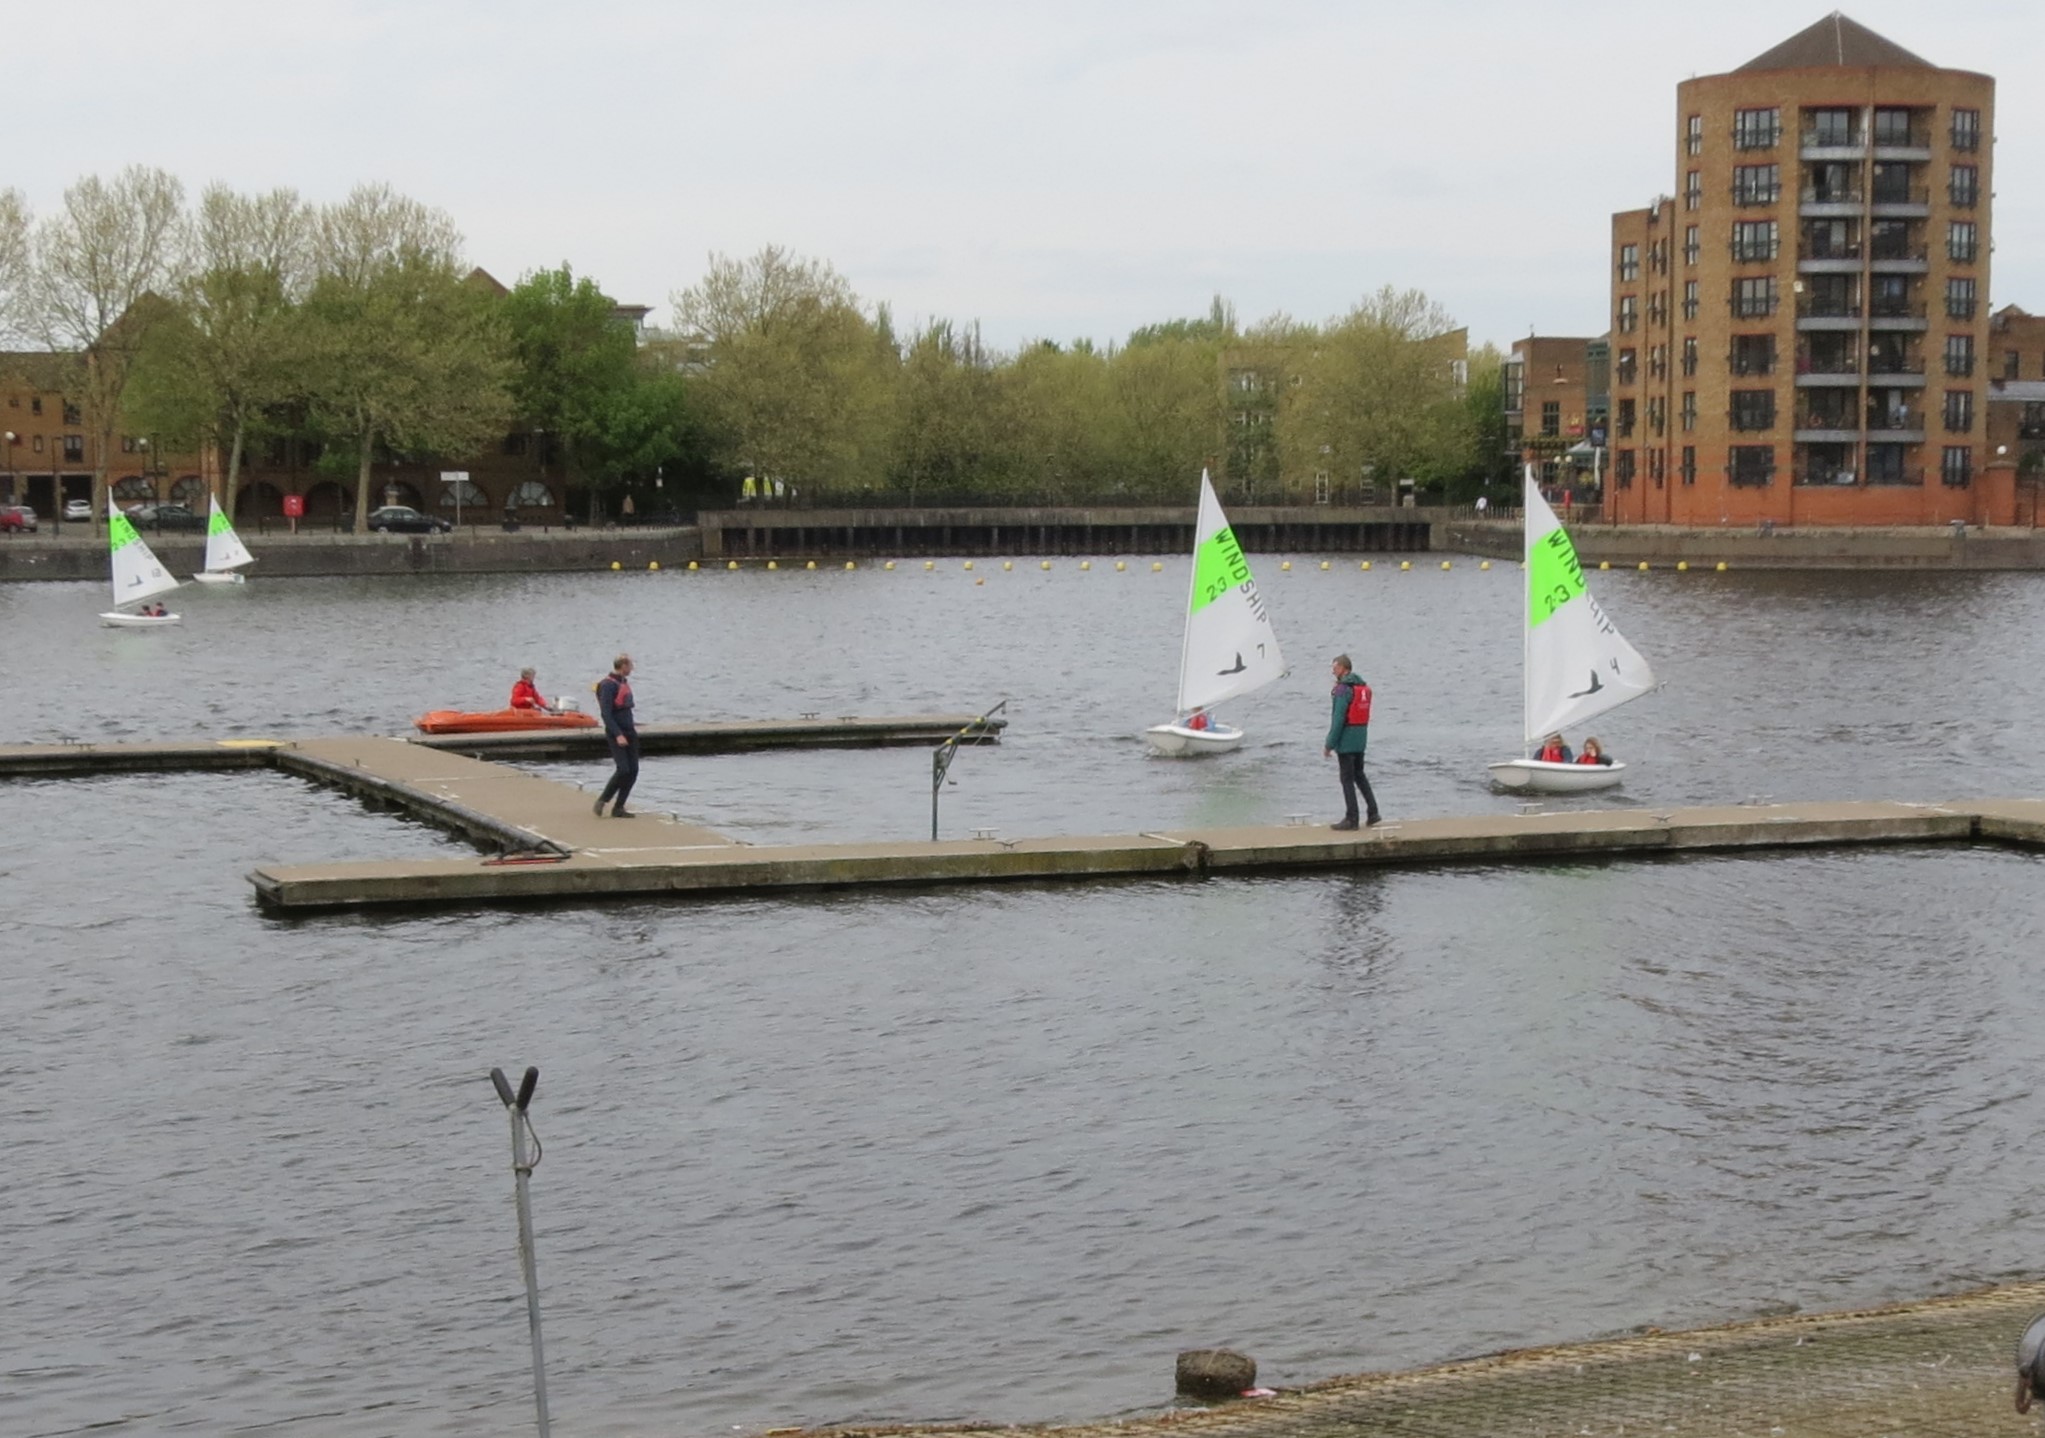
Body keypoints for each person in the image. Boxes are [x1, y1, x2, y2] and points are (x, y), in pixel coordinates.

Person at [1324, 653, 1380, 830]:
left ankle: (1351, 818)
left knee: (1347, 779)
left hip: (1347, 742)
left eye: (1336, 668)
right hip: (1360, 739)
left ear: (1344, 668)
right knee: (1360, 775)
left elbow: (1339, 718)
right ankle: (1373, 812)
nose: (1333, 672)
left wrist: (1329, 744)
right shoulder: (1361, 687)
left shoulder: (1342, 689)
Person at [593, 654, 639, 818]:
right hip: (616, 732)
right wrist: (618, 734)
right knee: (623, 769)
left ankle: (619, 807)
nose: (632, 668)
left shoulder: (623, 682)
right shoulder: (608, 685)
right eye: (630, 665)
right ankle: (603, 800)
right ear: (623, 665)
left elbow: (626, 709)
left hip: (630, 731)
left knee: (633, 770)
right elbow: (606, 713)